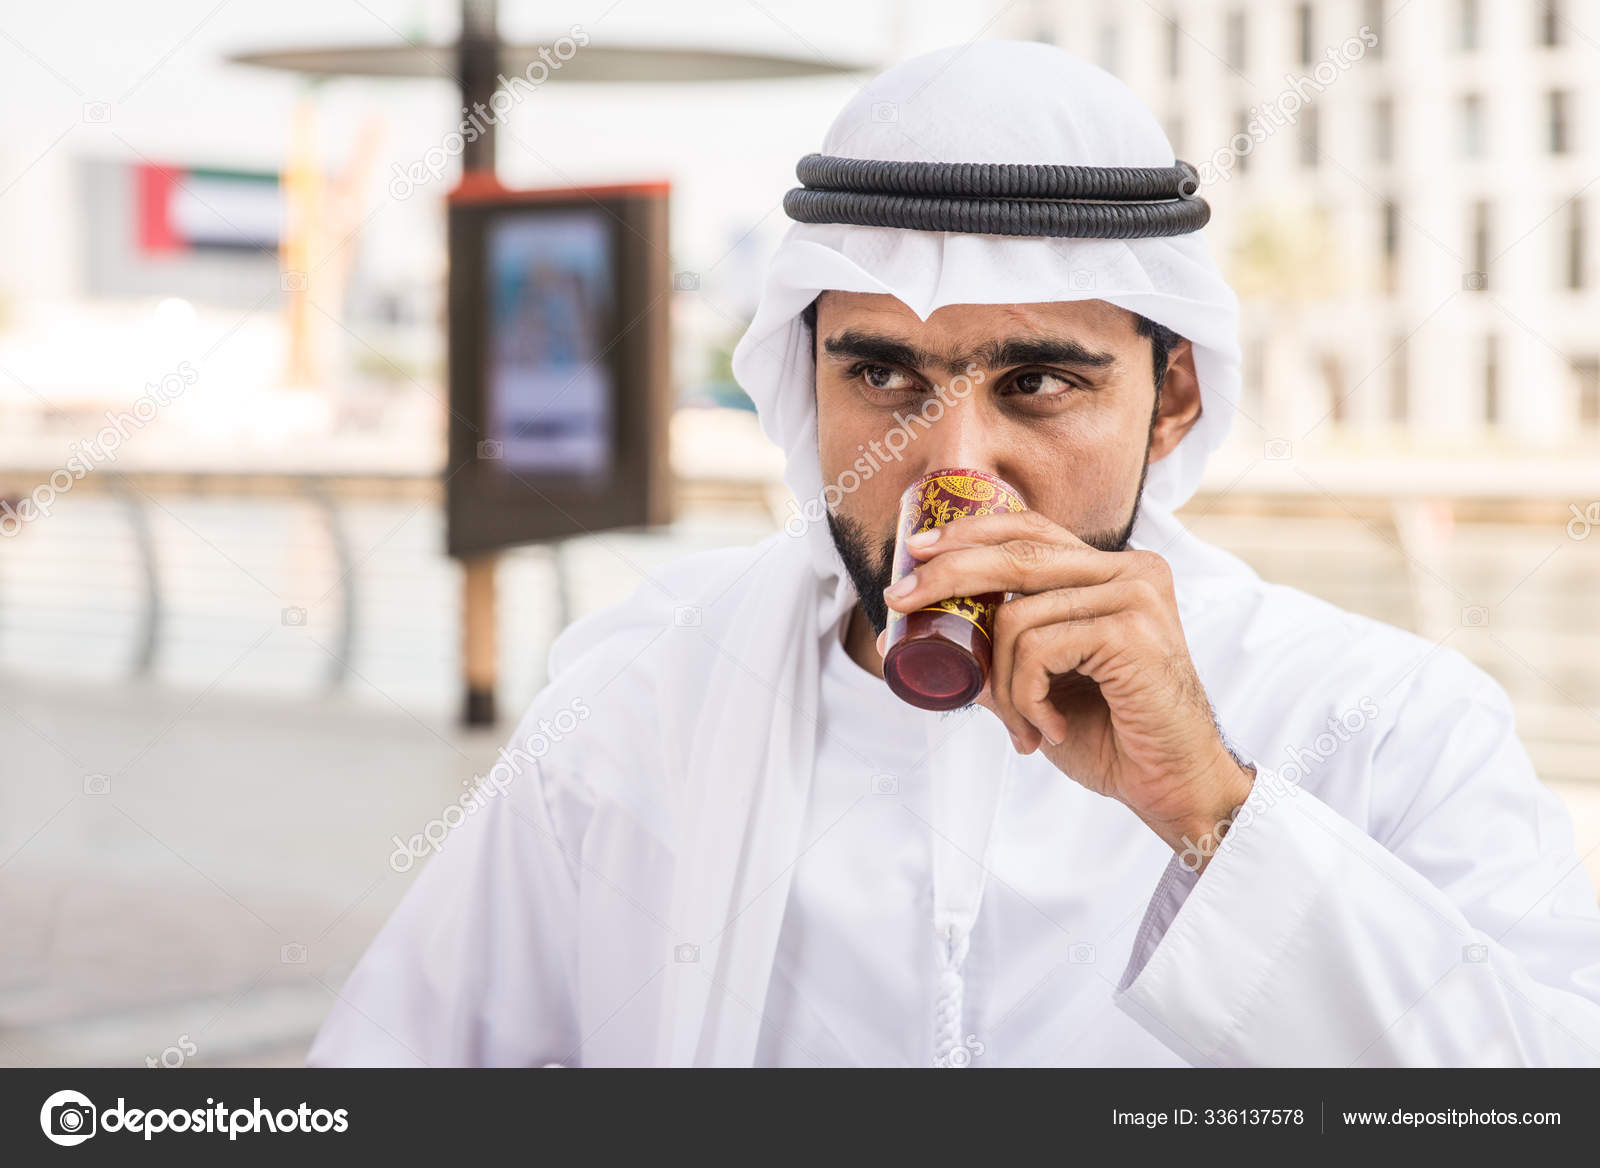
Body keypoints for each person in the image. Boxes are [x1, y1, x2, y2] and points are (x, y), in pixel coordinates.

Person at [306, 40, 1600, 1067]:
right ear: (808, 388)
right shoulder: (634, 713)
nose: (951, 466)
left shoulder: (1380, 721)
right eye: (882, 373)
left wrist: (1217, 814)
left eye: (1037, 381)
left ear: (1177, 397)